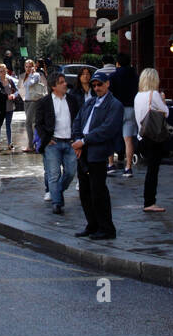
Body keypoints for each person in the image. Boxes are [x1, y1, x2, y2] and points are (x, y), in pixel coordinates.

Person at [72, 68, 124, 240]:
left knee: (98, 191)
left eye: (99, 84)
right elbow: (78, 121)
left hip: (98, 151)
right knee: (85, 191)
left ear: (107, 84)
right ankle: (92, 224)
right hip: (84, 150)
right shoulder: (90, 102)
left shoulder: (115, 105)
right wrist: (78, 140)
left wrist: (84, 140)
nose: (96, 88)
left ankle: (106, 228)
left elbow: (107, 129)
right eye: (94, 85)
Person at [35, 71, 76, 215]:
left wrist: (76, 137)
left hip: (70, 142)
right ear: (54, 86)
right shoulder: (44, 103)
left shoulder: (71, 100)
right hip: (53, 143)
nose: (65, 84)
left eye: (65, 81)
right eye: (61, 82)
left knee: (71, 172)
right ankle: (57, 203)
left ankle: (57, 191)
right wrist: (46, 139)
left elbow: (77, 119)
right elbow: (38, 124)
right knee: (54, 174)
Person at [133, 68, 171, 212]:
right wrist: (163, 100)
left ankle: (149, 200)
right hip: (154, 137)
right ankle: (149, 202)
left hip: (142, 137)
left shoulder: (137, 96)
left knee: (150, 169)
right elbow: (166, 113)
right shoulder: (154, 94)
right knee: (153, 171)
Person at [19, 60, 46, 153]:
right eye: (26, 66)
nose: (28, 68)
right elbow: (22, 87)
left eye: (30, 66)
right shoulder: (24, 76)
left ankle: (30, 145)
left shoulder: (36, 75)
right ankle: (36, 144)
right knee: (33, 123)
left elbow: (30, 83)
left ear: (34, 67)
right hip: (26, 101)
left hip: (34, 101)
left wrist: (31, 74)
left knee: (28, 123)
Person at [0, 63, 21, 153]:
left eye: (4, 70)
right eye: (0, 71)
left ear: (6, 70)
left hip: (9, 106)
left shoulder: (10, 80)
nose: (2, 72)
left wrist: (13, 95)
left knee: (8, 125)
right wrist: (5, 97)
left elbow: (18, 91)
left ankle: (10, 143)